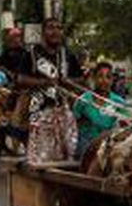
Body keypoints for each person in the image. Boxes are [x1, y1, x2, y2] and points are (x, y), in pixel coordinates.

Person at [17, 18, 83, 164]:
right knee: (41, 155)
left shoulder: (68, 56)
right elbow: (21, 79)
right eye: (51, 28)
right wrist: (45, 82)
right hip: (38, 109)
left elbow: (80, 80)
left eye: (59, 28)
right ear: (43, 32)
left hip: (63, 109)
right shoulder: (32, 54)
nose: (55, 32)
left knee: (68, 153)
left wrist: (68, 81)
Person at [72, 62, 127, 158]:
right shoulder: (83, 100)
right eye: (100, 76)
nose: (104, 81)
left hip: (107, 144)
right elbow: (73, 125)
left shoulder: (117, 101)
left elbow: (125, 125)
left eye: (108, 77)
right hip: (86, 145)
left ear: (112, 80)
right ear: (94, 78)